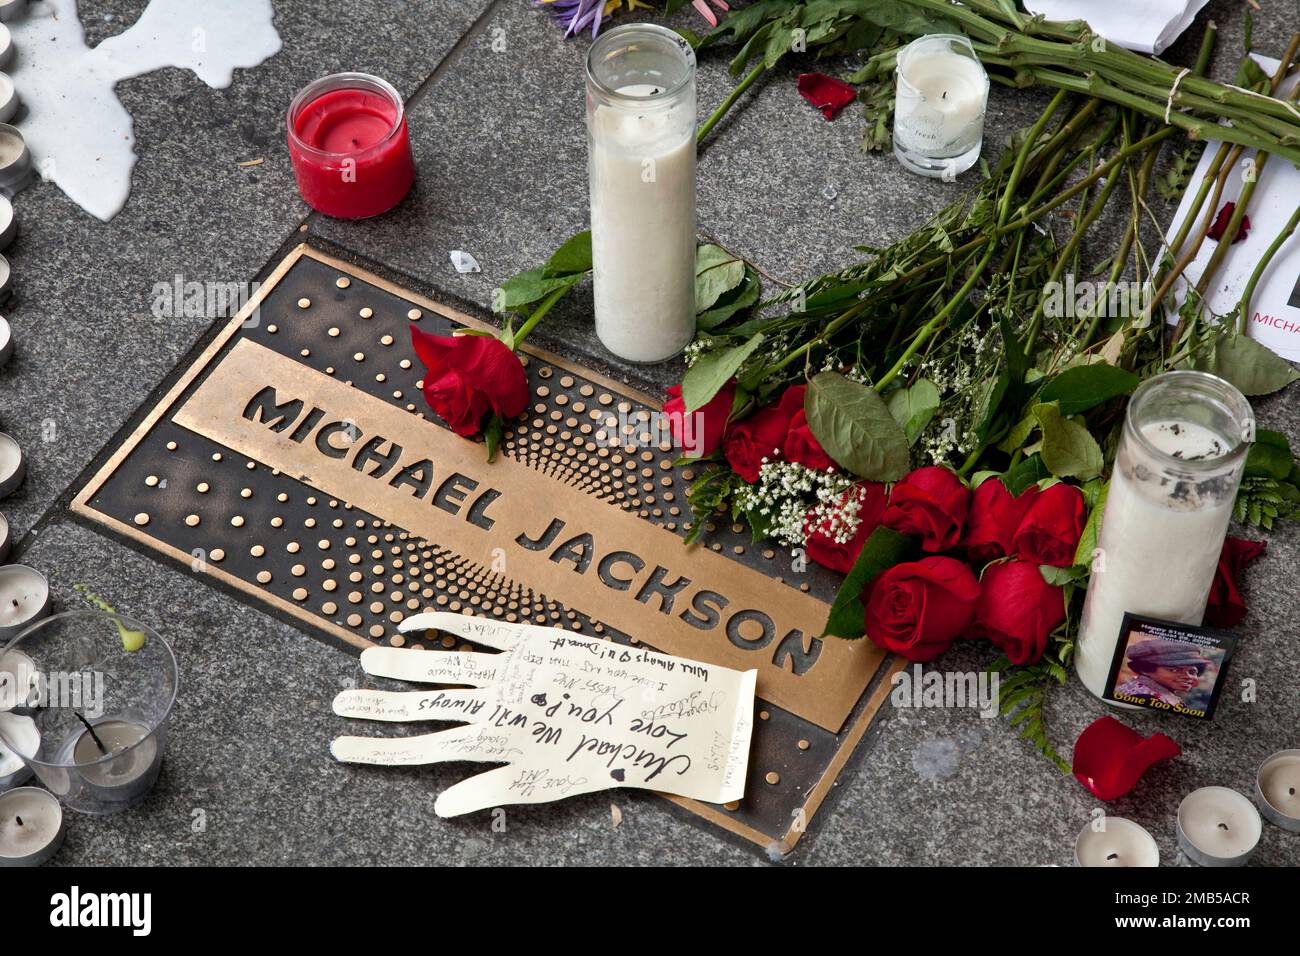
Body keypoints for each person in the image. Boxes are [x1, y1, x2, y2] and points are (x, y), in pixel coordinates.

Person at [1113, 638, 1211, 707]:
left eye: (1192, 671)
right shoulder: (1145, 698)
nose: (1187, 676)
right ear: (1146, 669)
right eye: (1173, 669)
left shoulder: (1159, 692)